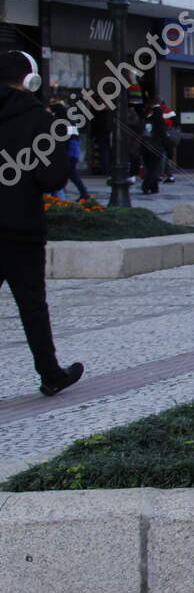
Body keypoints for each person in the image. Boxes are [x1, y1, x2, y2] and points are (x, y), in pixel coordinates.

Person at [0, 52, 84, 397]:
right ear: (30, 80)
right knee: (32, 304)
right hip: (20, 228)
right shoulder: (39, 119)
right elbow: (51, 179)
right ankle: (50, 373)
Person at [47, 102, 92, 201]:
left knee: (68, 174)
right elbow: (74, 138)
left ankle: (82, 193)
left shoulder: (61, 123)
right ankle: (83, 193)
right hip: (73, 152)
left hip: (69, 153)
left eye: (52, 112)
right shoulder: (70, 122)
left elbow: (66, 139)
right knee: (70, 174)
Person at [139, 103, 165, 193]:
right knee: (154, 169)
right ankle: (146, 186)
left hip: (145, 147)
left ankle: (154, 187)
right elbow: (163, 136)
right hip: (156, 147)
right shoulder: (159, 122)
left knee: (150, 168)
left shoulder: (146, 120)